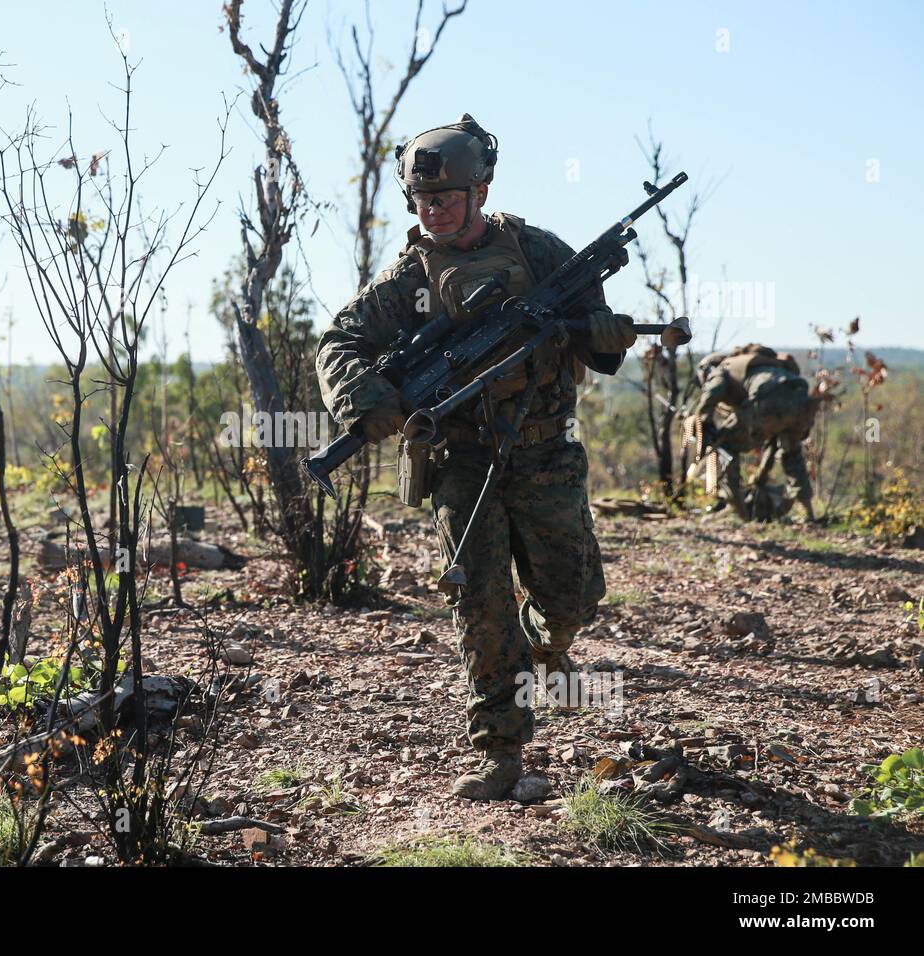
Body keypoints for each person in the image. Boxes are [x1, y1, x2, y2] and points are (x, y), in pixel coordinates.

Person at [315, 115, 637, 801]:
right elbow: (338, 344)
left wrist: (607, 337)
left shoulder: (541, 253)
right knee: (480, 603)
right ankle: (501, 750)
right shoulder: (407, 281)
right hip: (461, 461)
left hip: (546, 450)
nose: (434, 210)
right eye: (423, 201)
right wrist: (366, 397)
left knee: (573, 595)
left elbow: (594, 340)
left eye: (448, 197)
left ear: (481, 191)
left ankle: (547, 648)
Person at [690, 344, 818, 522]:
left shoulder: (723, 367)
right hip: (801, 403)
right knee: (791, 453)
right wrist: (760, 478)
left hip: (767, 401)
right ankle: (809, 514)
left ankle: (738, 509)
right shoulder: (766, 365)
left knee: (725, 445)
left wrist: (701, 419)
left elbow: (715, 389)